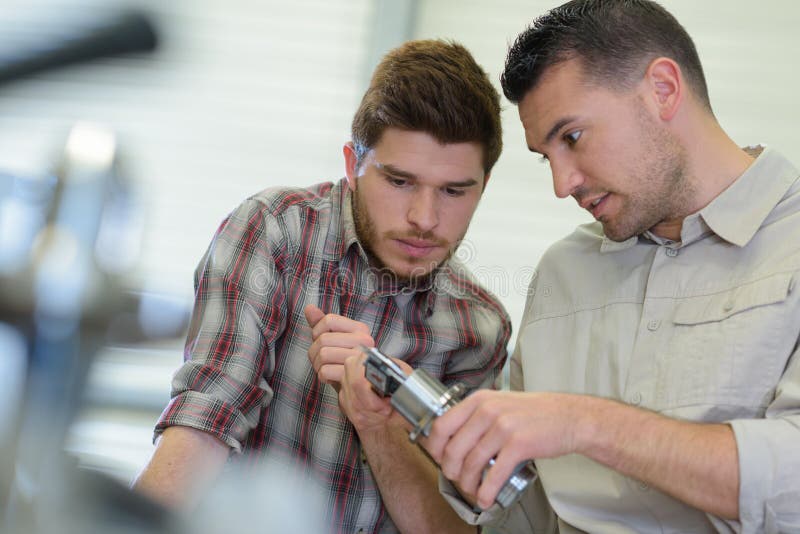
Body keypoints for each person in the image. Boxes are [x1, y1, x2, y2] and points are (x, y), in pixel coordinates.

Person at [410, 1, 800, 532]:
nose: (562, 184)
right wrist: (470, 463)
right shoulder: (563, 272)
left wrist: (581, 423)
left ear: (662, 89)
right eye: (548, 157)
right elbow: (523, 518)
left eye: (572, 137)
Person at [132, 39, 511, 534]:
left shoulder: (479, 329)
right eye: (399, 182)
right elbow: (206, 419)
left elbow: (454, 528)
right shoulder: (274, 233)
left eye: (454, 191)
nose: (424, 218)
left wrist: (380, 422)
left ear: (483, 185)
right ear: (353, 164)